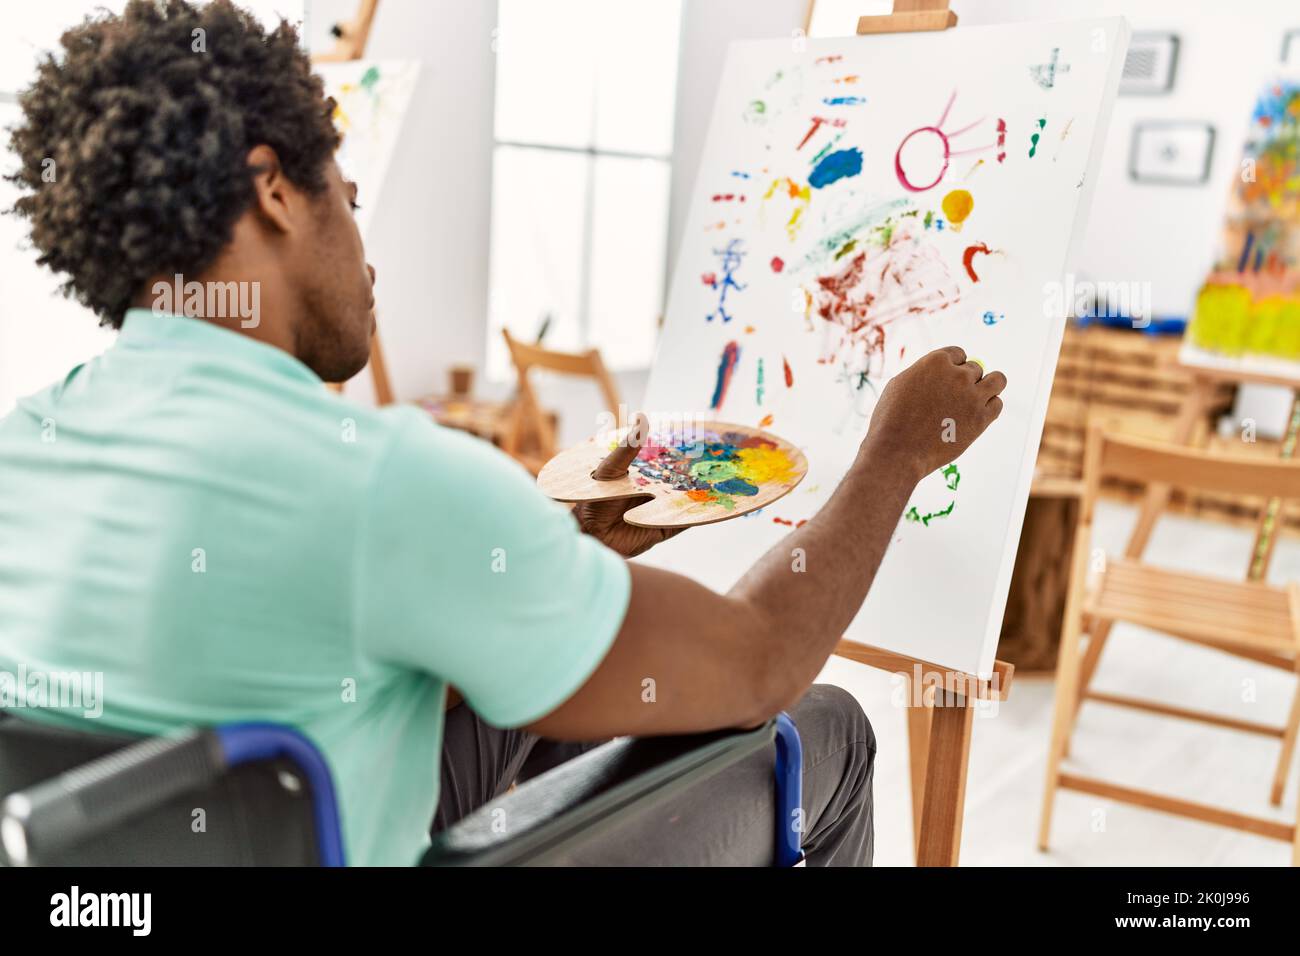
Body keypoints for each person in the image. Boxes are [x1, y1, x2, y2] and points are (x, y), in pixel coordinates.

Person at [0, 0, 1005, 866]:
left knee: (539, 698)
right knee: (827, 725)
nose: (367, 256)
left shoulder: (22, 446)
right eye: (347, 199)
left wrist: (553, 559)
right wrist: (895, 451)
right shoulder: (379, 478)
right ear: (273, 192)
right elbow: (760, 660)